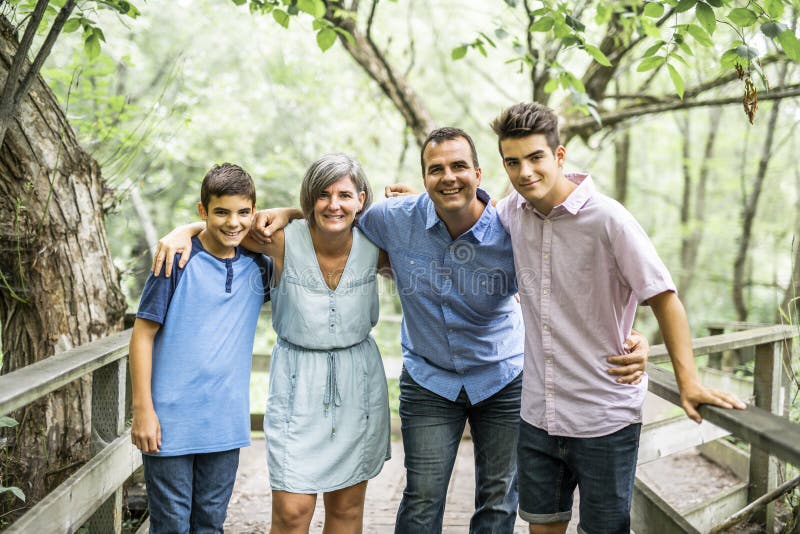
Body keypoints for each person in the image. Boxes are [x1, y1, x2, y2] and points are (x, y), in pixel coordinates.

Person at [245, 128, 650, 534]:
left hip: (501, 378)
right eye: (436, 169)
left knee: (498, 499)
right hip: (429, 379)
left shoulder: (511, 228)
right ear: (424, 178)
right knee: (422, 497)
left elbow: (567, 288)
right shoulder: (394, 220)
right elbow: (333, 213)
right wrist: (283, 213)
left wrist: (628, 336)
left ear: (479, 172)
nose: (449, 176)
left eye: (458, 166)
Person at [489, 102, 747, 534]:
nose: (525, 172)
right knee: (541, 528)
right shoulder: (512, 211)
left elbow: (664, 297)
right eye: (512, 162)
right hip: (538, 415)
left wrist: (688, 382)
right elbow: (465, 211)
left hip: (603, 418)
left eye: (535, 158)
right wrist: (411, 206)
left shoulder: (609, 220)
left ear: (559, 155)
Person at [152, 153, 391, 534]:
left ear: (362, 199)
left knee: (347, 509)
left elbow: (432, 240)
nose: (334, 204)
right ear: (309, 199)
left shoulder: (377, 246)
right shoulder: (280, 240)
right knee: (293, 510)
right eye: (323, 195)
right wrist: (184, 230)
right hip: (297, 382)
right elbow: (227, 225)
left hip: (357, 381)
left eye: (345, 195)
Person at [129, 163, 272, 534]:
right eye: (221, 211)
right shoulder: (175, 259)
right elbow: (142, 334)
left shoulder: (259, 267)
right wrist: (143, 409)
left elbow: (316, 222)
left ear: (255, 212)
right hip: (169, 421)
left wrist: (285, 213)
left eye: (244, 212)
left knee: (210, 523)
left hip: (225, 421)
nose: (233, 222)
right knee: (172, 525)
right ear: (202, 211)